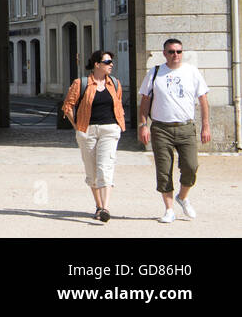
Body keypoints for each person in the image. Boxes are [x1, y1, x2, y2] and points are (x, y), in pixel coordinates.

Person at [137, 38, 211, 223]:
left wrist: (206, 126)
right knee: (164, 170)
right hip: (161, 128)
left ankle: (183, 196)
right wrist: (142, 124)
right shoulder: (155, 73)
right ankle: (169, 209)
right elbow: (145, 100)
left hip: (186, 127)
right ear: (164, 53)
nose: (175, 55)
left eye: (178, 51)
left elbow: (203, 100)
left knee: (191, 166)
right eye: (171, 51)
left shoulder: (191, 72)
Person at [62, 49, 124, 223]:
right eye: (107, 62)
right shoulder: (80, 83)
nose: (111, 65)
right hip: (87, 130)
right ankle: (98, 205)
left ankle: (105, 208)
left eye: (111, 62)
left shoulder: (115, 83)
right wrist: (78, 127)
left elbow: (118, 103)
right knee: (92, 171)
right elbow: (68, 106)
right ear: (97, 64)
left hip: (109, 130)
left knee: (105, 167)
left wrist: (119, 124)